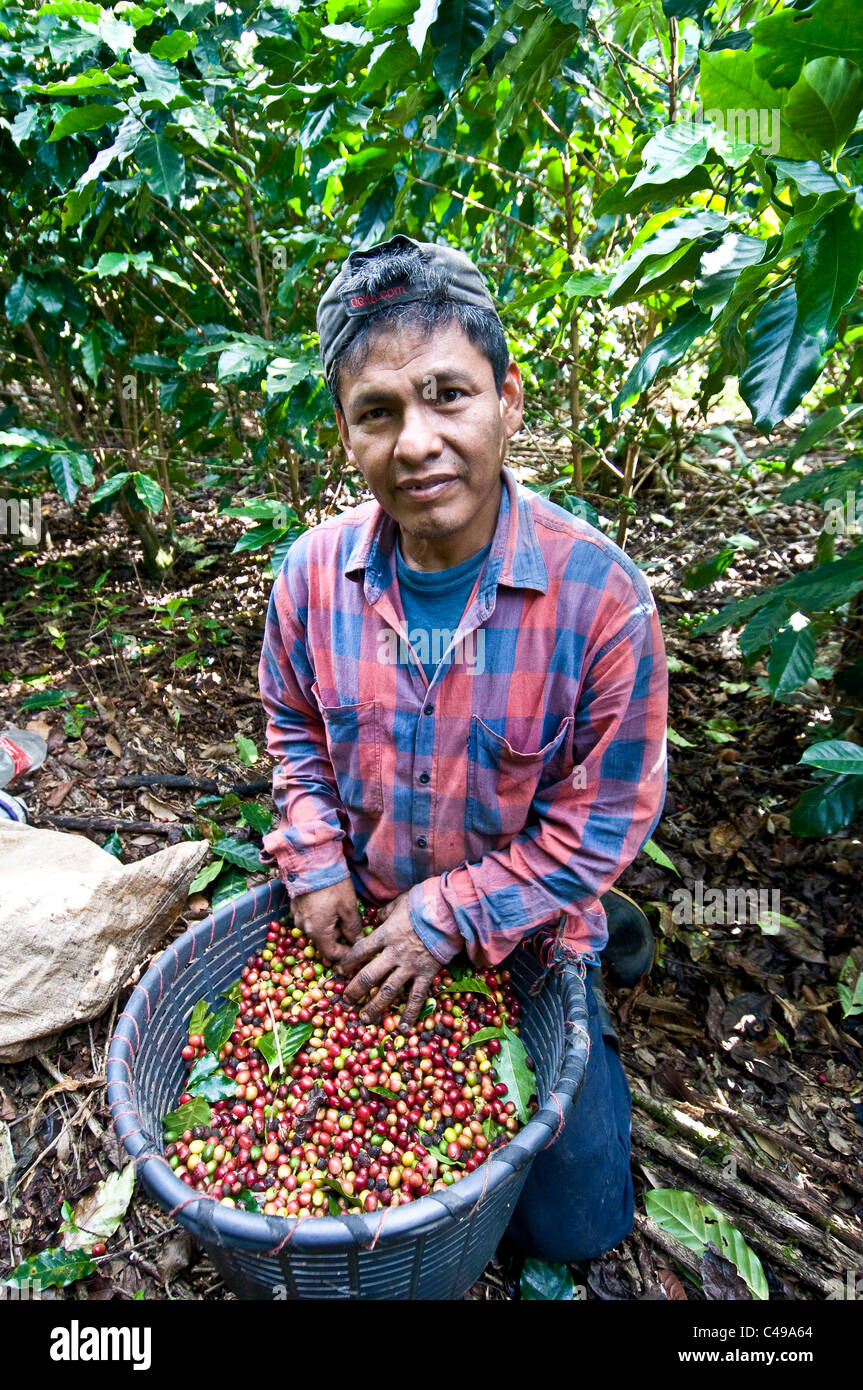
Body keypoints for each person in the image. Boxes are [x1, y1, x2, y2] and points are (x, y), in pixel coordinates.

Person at [257, 233, 668, 1262]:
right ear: (344, 435)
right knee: (308, 1139)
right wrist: (311, 858)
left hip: (518, 931)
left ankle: (592, 950)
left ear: (507, 401)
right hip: (363, 907)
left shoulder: (599, 597)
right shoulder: (309, 577)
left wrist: (446, 916)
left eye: (448, 395)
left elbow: (603, 821)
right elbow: (294, 731)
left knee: (575, 1229)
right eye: (378, 412)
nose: (417, 441)